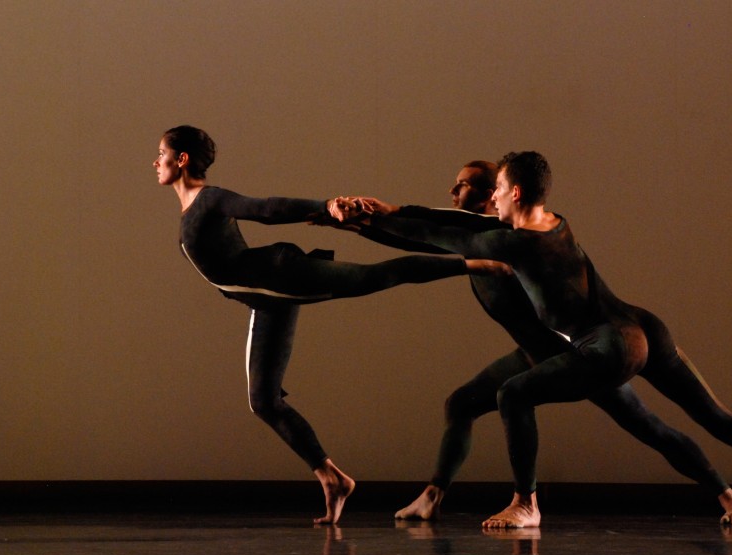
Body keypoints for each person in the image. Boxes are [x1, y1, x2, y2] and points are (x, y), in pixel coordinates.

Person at [342, 151, 732, 532]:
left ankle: (526, 504)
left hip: (608, 347)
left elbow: (436, 234)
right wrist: (389, 209)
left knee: (514, 394)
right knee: (718, 419)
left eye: (496, 190)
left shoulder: (509, 245)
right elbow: (454, 222)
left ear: (513, 191)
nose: (492, 198)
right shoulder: (553, 220)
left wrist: (370, 220)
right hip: (643, 326)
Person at [153, 125, 503, 524]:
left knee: (372, 277)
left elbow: (266, 208)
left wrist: (326, 205)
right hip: (266, 302)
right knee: (264, 402)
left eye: (161, 152)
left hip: (284, 277)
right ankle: (333, 479)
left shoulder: (209, 199)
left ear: (181, 159)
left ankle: (470, 264)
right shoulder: (191, 209)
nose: (155, 160)